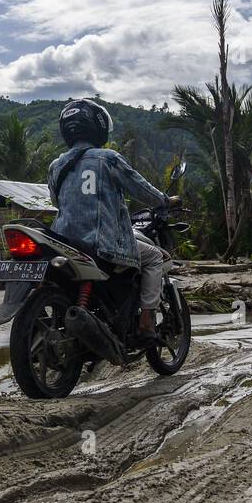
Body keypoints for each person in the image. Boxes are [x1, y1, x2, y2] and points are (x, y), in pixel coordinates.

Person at [47, 98, 172, 338]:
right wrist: (165, 201)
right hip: (103, 245)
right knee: (155, 257)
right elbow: (142, 190)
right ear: (98, 126)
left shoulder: (56, 165)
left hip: (64, 244)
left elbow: (56, 202)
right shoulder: (108, 158)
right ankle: (146, 322)